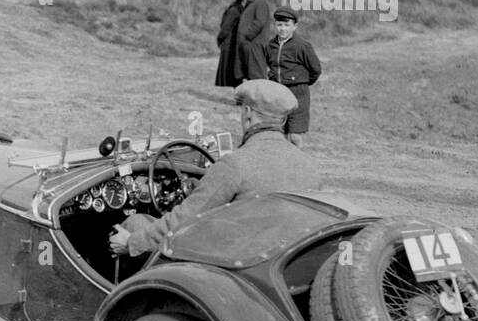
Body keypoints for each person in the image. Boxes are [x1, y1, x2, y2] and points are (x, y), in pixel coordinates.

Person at [110, 79, 321, 257]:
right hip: (278, 258)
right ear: (283, 119)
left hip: (229, 260)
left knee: (135, 223)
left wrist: (133, 243)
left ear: (247, 114)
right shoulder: (309, 164)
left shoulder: (234, 165)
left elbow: (185, 220)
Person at [265, 7, 321, 148]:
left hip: (298, 94)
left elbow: (316, 70)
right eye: (279, 25)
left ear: (294, 26)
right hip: (278, 94)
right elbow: (269, 66)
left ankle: (298, 167)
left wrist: (301, 82)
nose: (282, 29)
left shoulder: (302, 46)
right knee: (279, 135)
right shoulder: (270, 46)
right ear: (275, 25)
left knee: (294, 136)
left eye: (286, 25)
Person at [237, 0, 272, 80]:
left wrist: (248, 36)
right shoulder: (254, 1)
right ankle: (252, 97)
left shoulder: (261, 2)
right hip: (251, 44)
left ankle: (261, 97)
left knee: (257, 75)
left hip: (255, 45)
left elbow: (259, 22)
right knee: (250, 74)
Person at [214, 0, 245, 86]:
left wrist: (220, 38)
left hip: (229, 42)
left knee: (231, 70)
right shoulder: (240, 8)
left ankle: (239, 95)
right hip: (233, 42)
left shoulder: (233, 10)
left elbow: (226, 28)